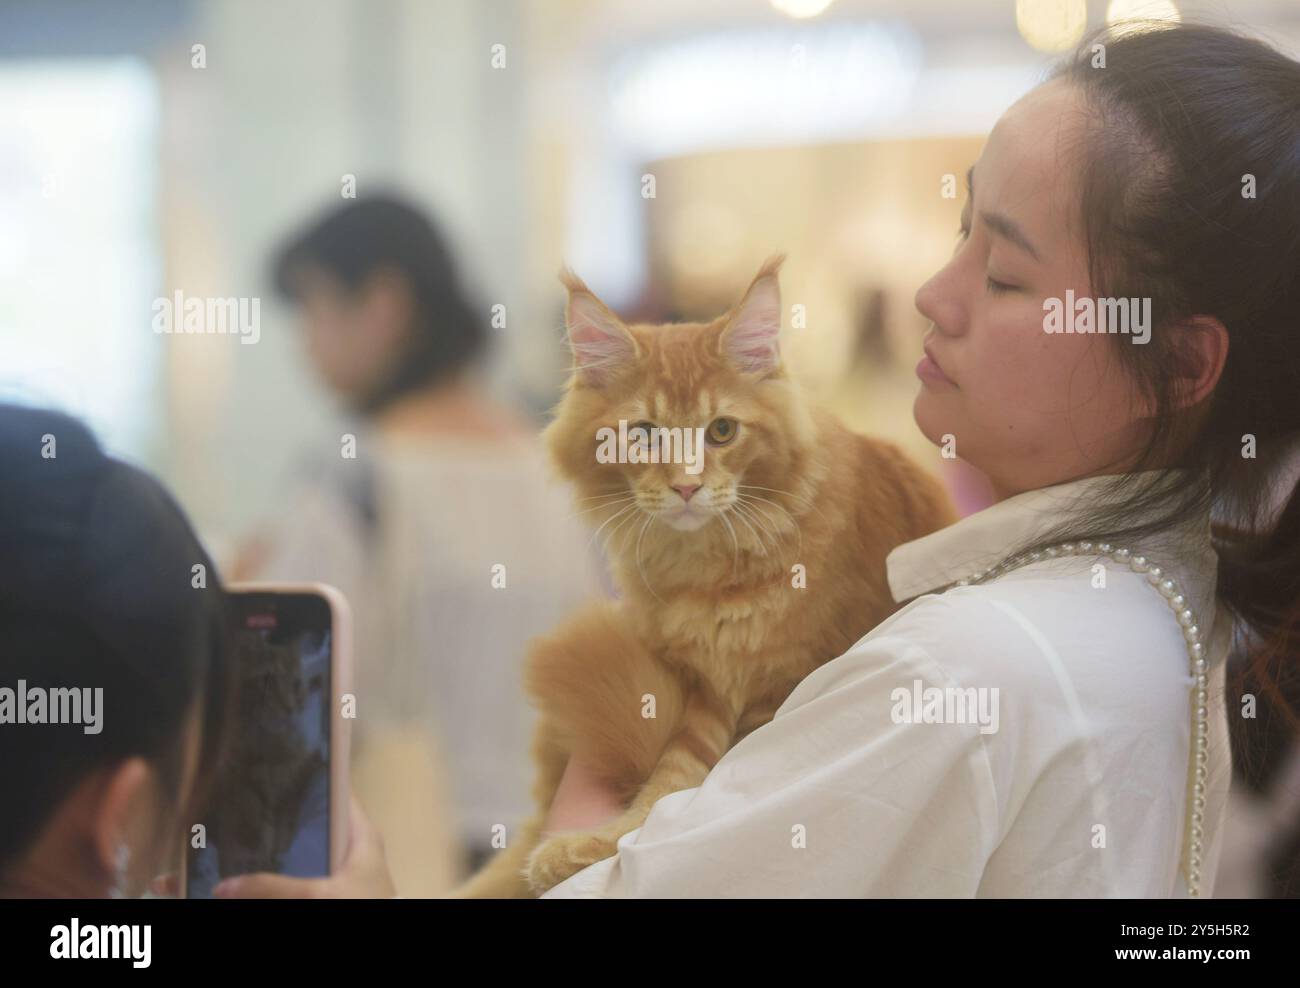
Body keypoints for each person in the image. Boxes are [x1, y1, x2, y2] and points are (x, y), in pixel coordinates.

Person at [226, 22, 1300, 898]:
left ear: (1179, 362)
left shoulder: (962, 670)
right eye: (962, 226)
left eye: (1005, 274)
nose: (934, 291)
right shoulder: (1163, 603)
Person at [238, 195, 608, 894]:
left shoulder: (358, 474)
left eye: (314, 309)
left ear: (382, 305)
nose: (305, 344)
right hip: (562, 858)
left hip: (409, 857)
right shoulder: (561, 467)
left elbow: (290, 693)